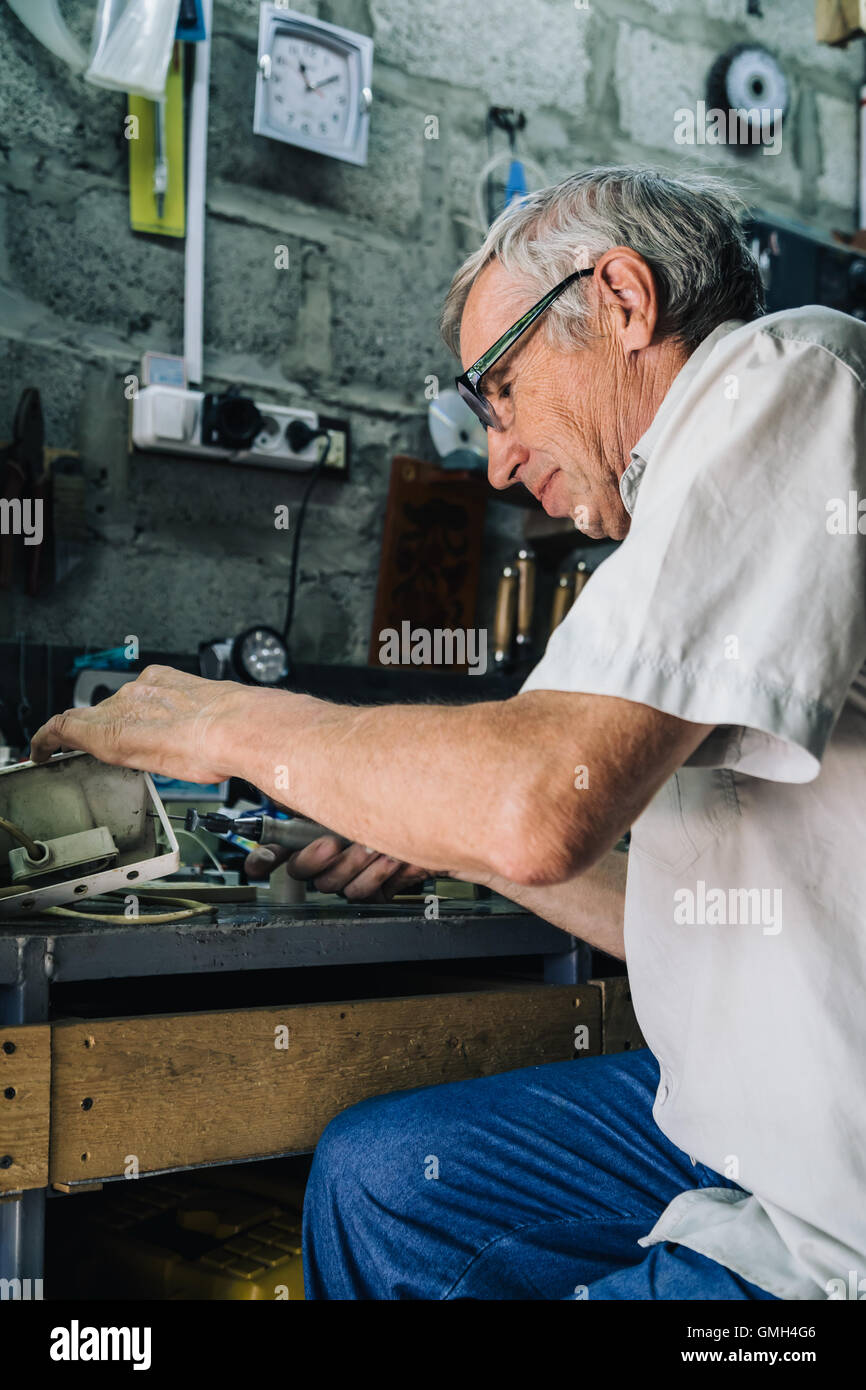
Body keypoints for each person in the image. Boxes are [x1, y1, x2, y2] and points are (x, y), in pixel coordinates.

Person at [32, 167, 866, 1301]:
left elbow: (538, 806)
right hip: (758, 1120)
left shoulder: (792, 376)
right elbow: (666, 911)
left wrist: (220, 717)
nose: (497, 457)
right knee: (382, 1179)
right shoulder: (683, 514)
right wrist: (450, 831)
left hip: (836, 1208)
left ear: (620, 297)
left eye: (503, 388)